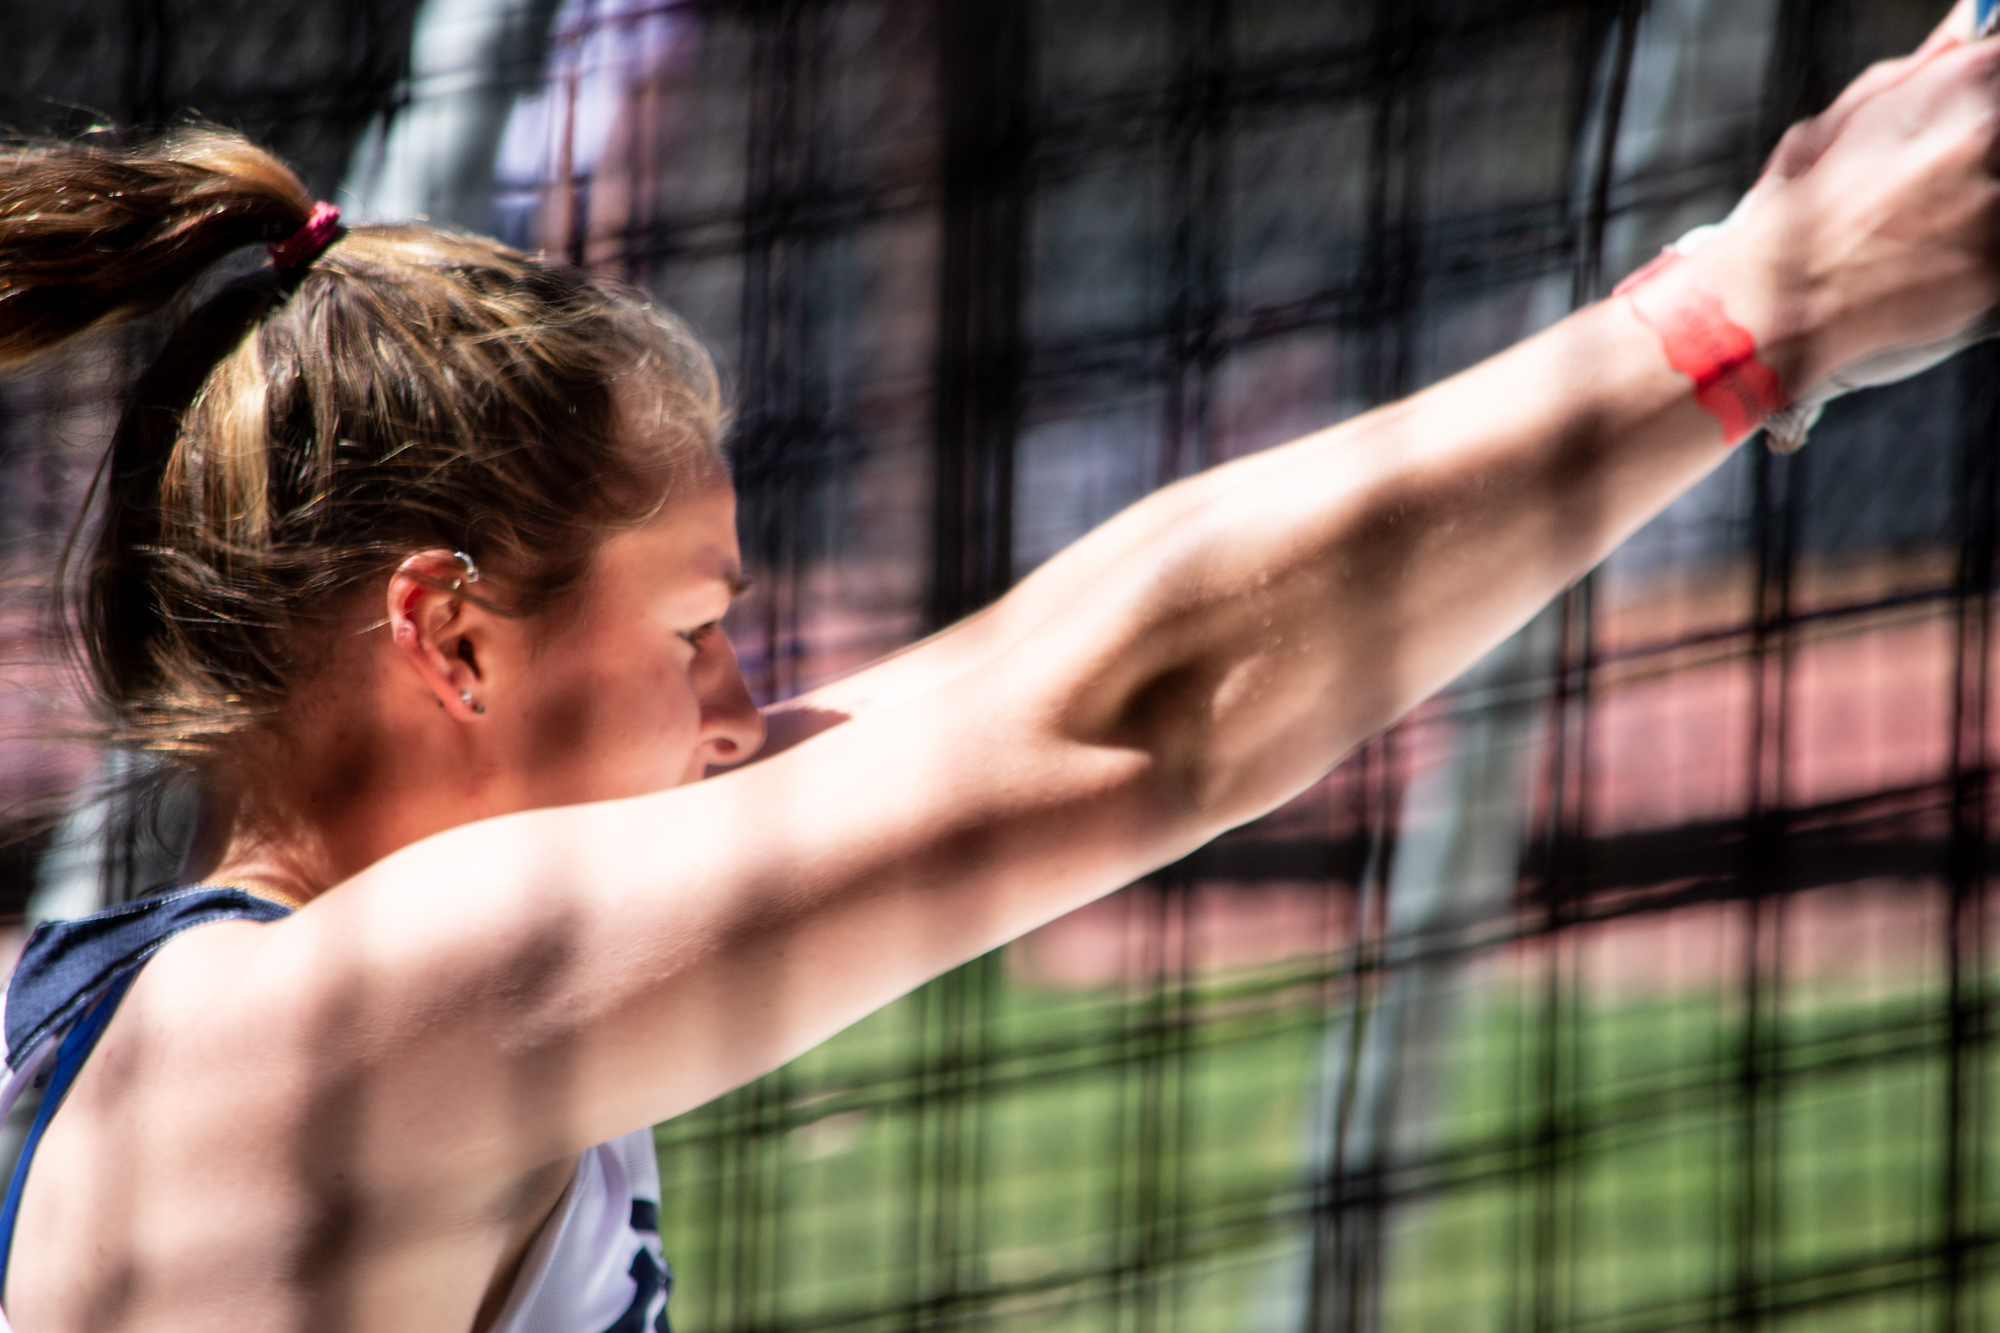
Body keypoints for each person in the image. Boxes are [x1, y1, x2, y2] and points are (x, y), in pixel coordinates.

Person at [2, 3, 1998, 1328]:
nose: (741, 709)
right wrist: (1758, 308)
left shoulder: (211, 997)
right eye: (696, 633)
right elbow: (1123, 712)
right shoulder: (335, 1031)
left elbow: (1023, 676)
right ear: (445, 633)